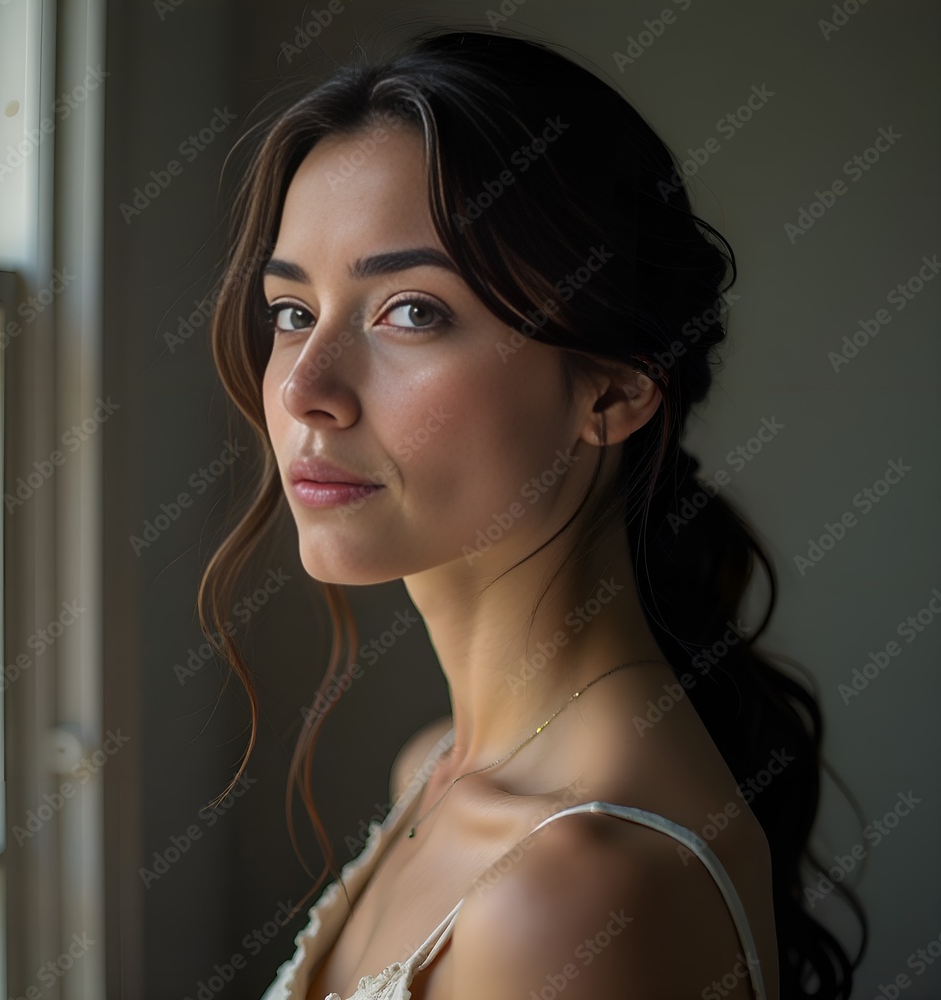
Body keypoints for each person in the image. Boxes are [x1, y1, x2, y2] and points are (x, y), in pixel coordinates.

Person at [198, 27, 864, 1000]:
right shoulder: (434, 769)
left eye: (411, 311)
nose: (305, 388)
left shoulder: (572, 893)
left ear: (611, 392)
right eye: (294, 311)